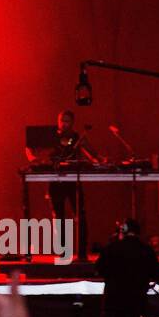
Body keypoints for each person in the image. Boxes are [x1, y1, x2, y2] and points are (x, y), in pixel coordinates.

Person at [96, 218, 159, 317]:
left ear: (124, 230)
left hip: (113, 302)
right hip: (137, 302)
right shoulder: (146, 250)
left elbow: (99, 270)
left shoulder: (112, 248)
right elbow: (157, 273)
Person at [46, 109, 99, 257]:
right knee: (59, 217)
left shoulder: (77, 137)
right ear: (58, 121)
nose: (64, 124)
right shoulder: (50, 137)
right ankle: (62, 251)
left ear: (72, 123)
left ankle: (82, 251)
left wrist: (98, 159)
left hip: (73, 182)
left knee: (79, 215)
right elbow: (37, 150)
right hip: (55, 181)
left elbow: (91, 152)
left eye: (67, 121)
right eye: (62, 120)